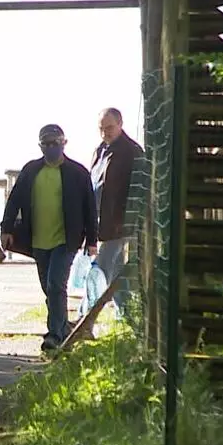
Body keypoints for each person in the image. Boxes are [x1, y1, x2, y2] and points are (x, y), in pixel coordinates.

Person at [1, 124, 98, 351]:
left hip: (66, 239)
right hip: (38, 240)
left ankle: (54, 335)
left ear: (64, 143)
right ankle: (63, 326)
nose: (51, 147)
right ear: (40, 146)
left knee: (56, 284)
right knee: (49, 287)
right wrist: (6, 229)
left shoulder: (78, 172)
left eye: (55, 142)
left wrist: (92, 240)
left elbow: (90, 208)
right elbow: (13, 201)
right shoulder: (31, 171)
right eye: (46, 143)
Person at [90, 107, 143, 314]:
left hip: (120, 223)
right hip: (101, 222)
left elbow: (139, 189)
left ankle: (86, 318)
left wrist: (129, 219)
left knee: (100, 267)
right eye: (101, 129)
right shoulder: (100, 151)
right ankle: (128, 315)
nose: (105, 133)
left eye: (109, 127)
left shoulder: (132, 152)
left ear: (120, 124)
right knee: (115, 272)